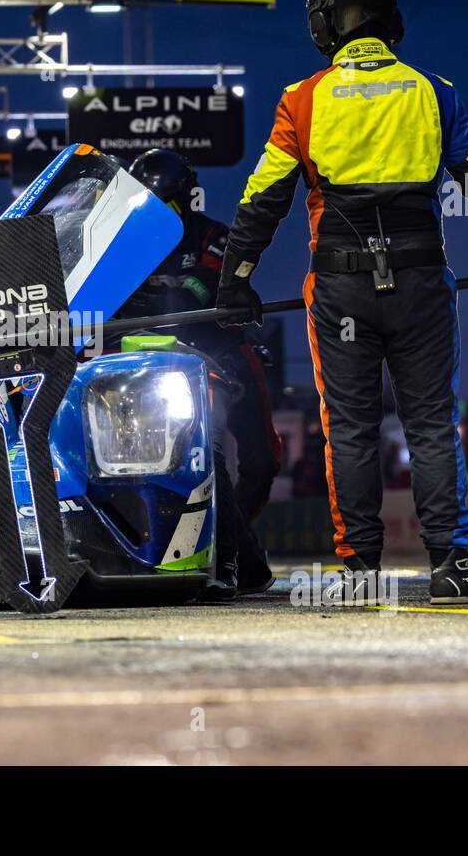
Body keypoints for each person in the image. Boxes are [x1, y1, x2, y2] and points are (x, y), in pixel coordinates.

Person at [215, 0, 468, 605]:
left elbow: (262, 199)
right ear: (391, 21)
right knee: (433, 422)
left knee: (348, 426)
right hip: (423, 282)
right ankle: (450, 566)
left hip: (341, 288)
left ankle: (359, 573)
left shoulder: (303, 99)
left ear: (326, 26)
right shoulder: (436, 92)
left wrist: (236, 278)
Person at [121, 148, 283, 600]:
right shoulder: (121, 246)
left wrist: (152, 299)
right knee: (203, 454)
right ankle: (230, 562)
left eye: (167, 203)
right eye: (149, 203)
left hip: (224, 354)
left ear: (186, 198)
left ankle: (236, 546)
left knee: (262, 462)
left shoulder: (214, 236)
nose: (160, 214)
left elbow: (200, 293)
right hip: (158, 365)